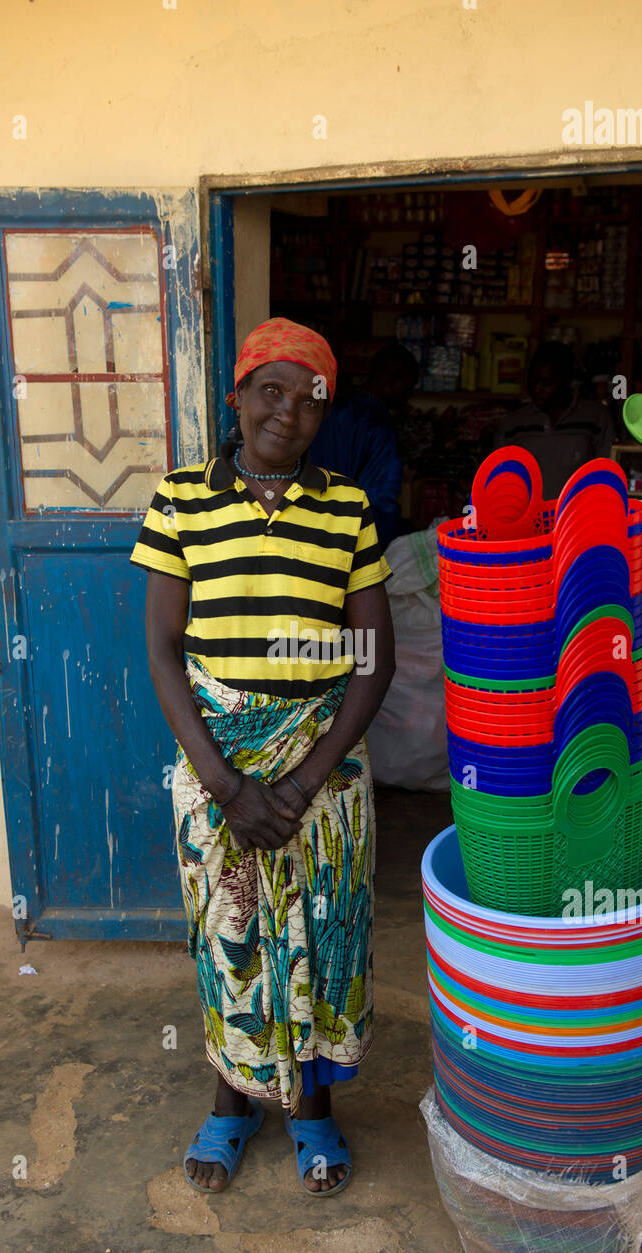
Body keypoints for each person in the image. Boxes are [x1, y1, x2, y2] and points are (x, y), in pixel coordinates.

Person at [131, 317, 395, 1197]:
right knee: (232, 939)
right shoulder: (179, 499)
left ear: (326, 412)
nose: (287, 411)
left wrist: (303, 777)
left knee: (321, 939)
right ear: (238, 396)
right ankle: (231, 1104)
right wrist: (226, 785)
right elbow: (166, 652)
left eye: (308, 396)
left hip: (319, 773)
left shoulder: (347, 509)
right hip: (218, 771)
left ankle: (314, 1114)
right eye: (269, 390)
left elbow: (371, 658)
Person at [309, 342, 419, 550]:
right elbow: (380, 503)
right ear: (391, 383)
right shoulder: (379, 426)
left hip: (309, 527)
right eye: (408, 388)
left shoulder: (330, 409)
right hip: (350, 540)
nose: (409, 397)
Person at [493, 342, 616, 499]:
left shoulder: (596, 418)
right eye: (533, 382)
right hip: (526, 520)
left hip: (579, 518)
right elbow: (500, 480)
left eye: (547, 383)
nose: (537, 389)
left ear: (567, 381)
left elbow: (608, 476)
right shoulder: (513, 424)